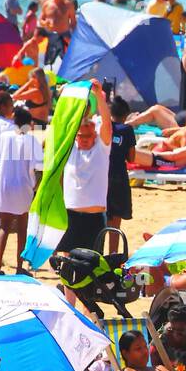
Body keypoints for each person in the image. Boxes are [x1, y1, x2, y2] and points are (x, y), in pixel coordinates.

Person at [56, 84, 112, 273]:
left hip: (94, 217)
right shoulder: (71, 149)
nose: (85, 137)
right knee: (68, 264)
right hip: (71, 214)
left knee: (91, 267)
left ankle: (86, 304)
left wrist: (99, 96)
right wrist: (64, 96)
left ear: (95, 133)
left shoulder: (101, 148)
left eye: (89, 133)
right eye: (81, 134)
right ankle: (69, 302)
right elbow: (62, 123)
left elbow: (107, 123)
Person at [105, 96, 135, 232]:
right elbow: (131, 158)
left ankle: (98, 250)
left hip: (102, 174)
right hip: (119, 176)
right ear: (126, 115)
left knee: (101, 219)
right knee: (116, 222)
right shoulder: (127, 130)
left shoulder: (104, 127)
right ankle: (113, 252)